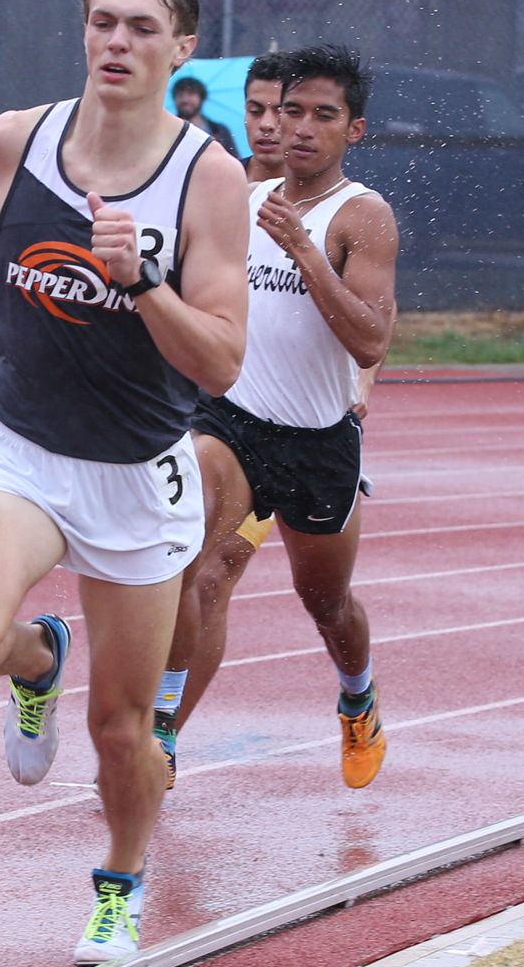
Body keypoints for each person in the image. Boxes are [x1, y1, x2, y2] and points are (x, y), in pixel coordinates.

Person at [0, 0, 247, 966]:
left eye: (143, 27)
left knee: (120, 730)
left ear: (182, 47)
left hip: (137, 474)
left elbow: (222, 361)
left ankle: (120, 882)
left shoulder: (207, 178)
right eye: (104, 21)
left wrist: (143, 281)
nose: (118, 42)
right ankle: (35, 656)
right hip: (20, 448)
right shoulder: (19, 137)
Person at [157, 45, 398, 792]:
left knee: (327, 603)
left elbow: (371, 339)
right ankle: (158, 729)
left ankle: (357, 694)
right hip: (231, 423)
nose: (300, 128)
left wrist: (304, 252)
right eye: (291, 111)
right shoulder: (238, 196)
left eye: (323, 115)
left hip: (319, 441)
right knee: (189, 564)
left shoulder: (362, 215)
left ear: (354, 129)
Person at [241, 52, 287, 183]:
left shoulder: (331, 193)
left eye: (281, 112)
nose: (266, 124)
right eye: (255, 111)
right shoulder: (217, 182)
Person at [172, 74, 239, 156]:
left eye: (191, 94)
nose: (185, 100)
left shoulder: (219, 130)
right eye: (180, 95)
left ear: (201, 98)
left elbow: (234, 159)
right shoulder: (168, 130)